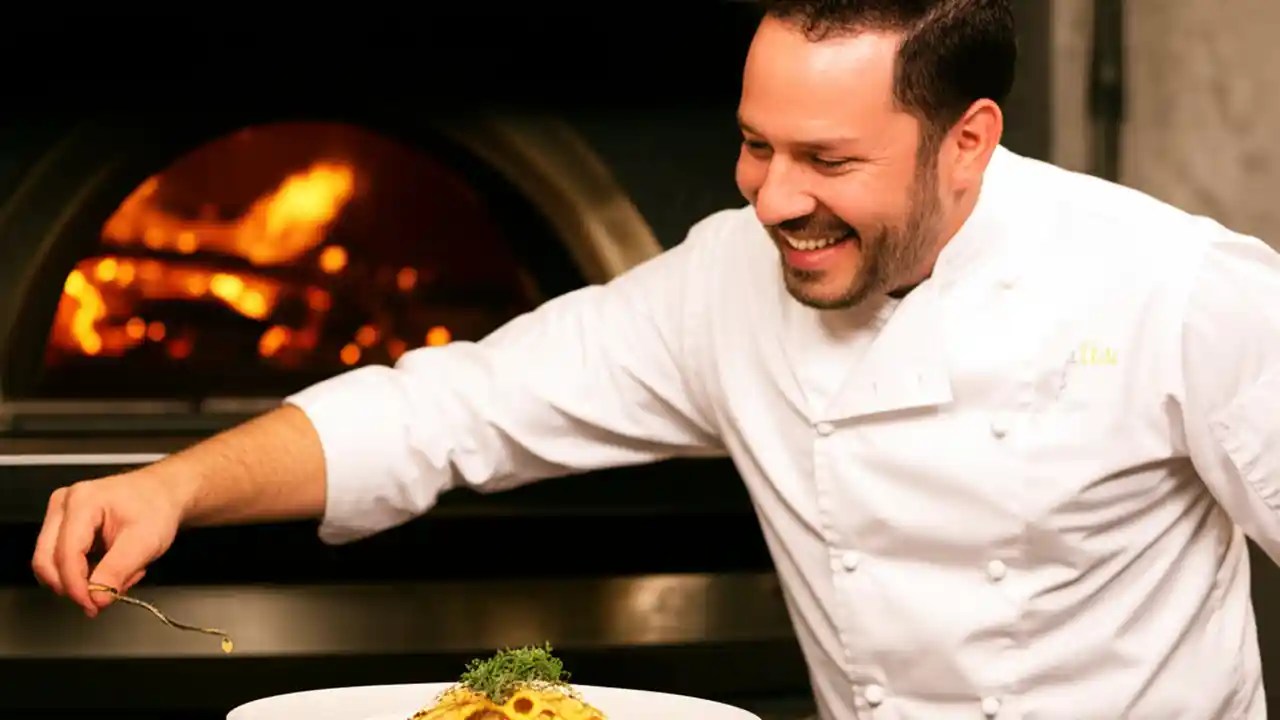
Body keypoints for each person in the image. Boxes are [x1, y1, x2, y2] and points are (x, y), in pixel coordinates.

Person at [30, 1, 1280, 718]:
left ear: (967, 142)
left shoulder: (1174, 287)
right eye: (753, 145)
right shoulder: (727, 278)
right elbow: (452, 410)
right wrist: (176, 486)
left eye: (828, 161)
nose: (772, 199)